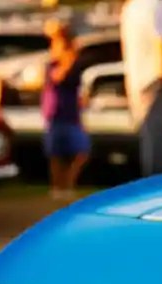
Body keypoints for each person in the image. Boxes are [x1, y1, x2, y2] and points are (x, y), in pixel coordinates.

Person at [120, 0, 162, 178]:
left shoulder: (131, 7)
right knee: (158, 145)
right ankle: (157, 190)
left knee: (147, 140)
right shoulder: (158, 6)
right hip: (155, 81)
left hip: (137, 81)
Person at [42, 19, 90, 200]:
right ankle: (57, 187)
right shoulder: (53, 64)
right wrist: (68, 58)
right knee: (56, 154)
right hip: (55, 112)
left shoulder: (75, 65)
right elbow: (58, 78)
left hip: (71, 113)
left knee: (81, 151)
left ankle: (68, 184)